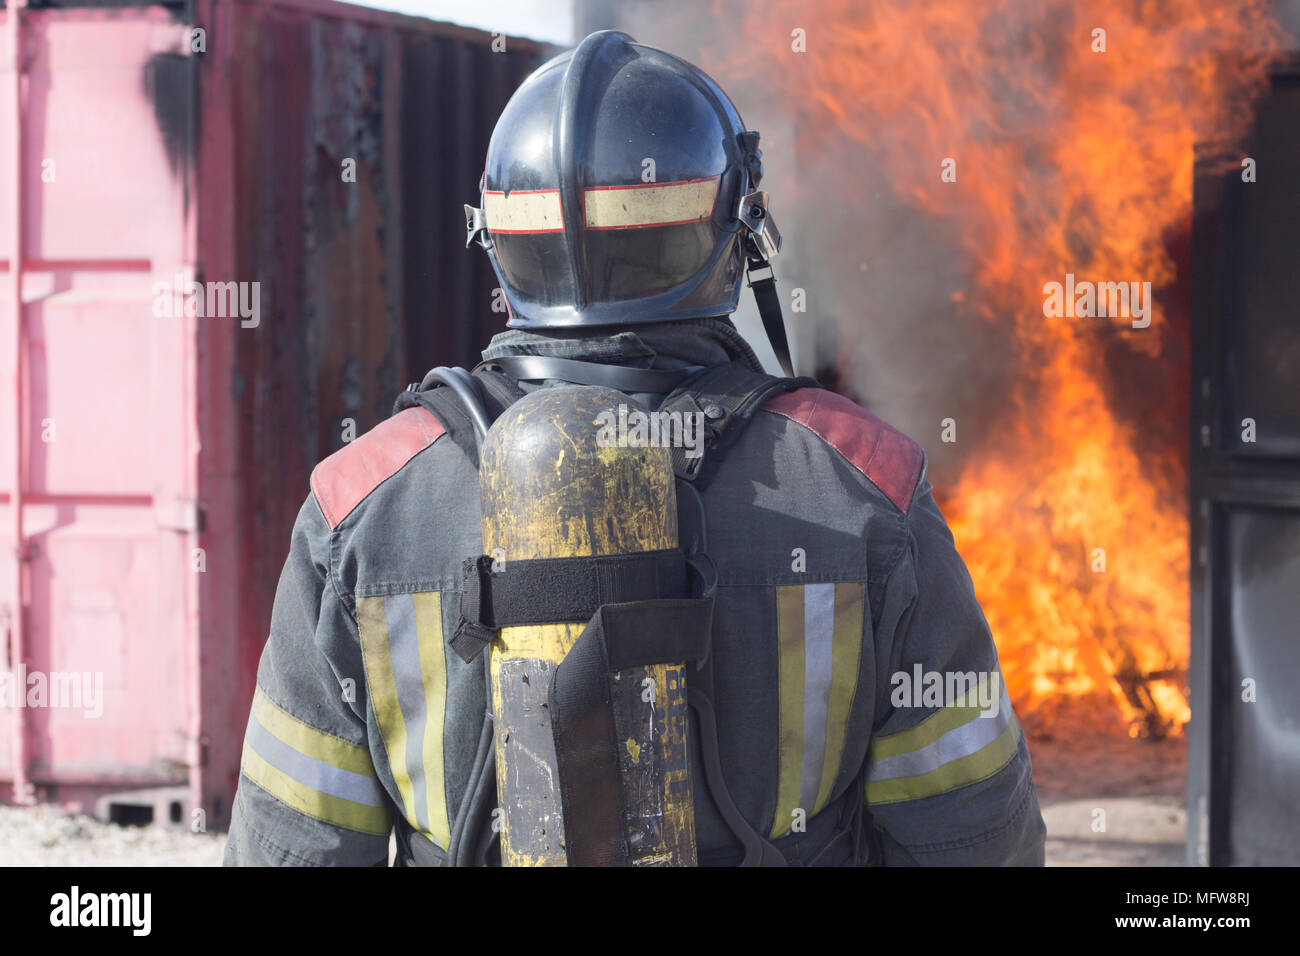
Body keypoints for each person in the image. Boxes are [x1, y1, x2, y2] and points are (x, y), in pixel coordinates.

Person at [223, 30, 1045, 867]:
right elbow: (977, 840)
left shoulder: (361, 504)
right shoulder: (864, 487)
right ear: (736, 236)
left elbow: (291, 849)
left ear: (501, 246)